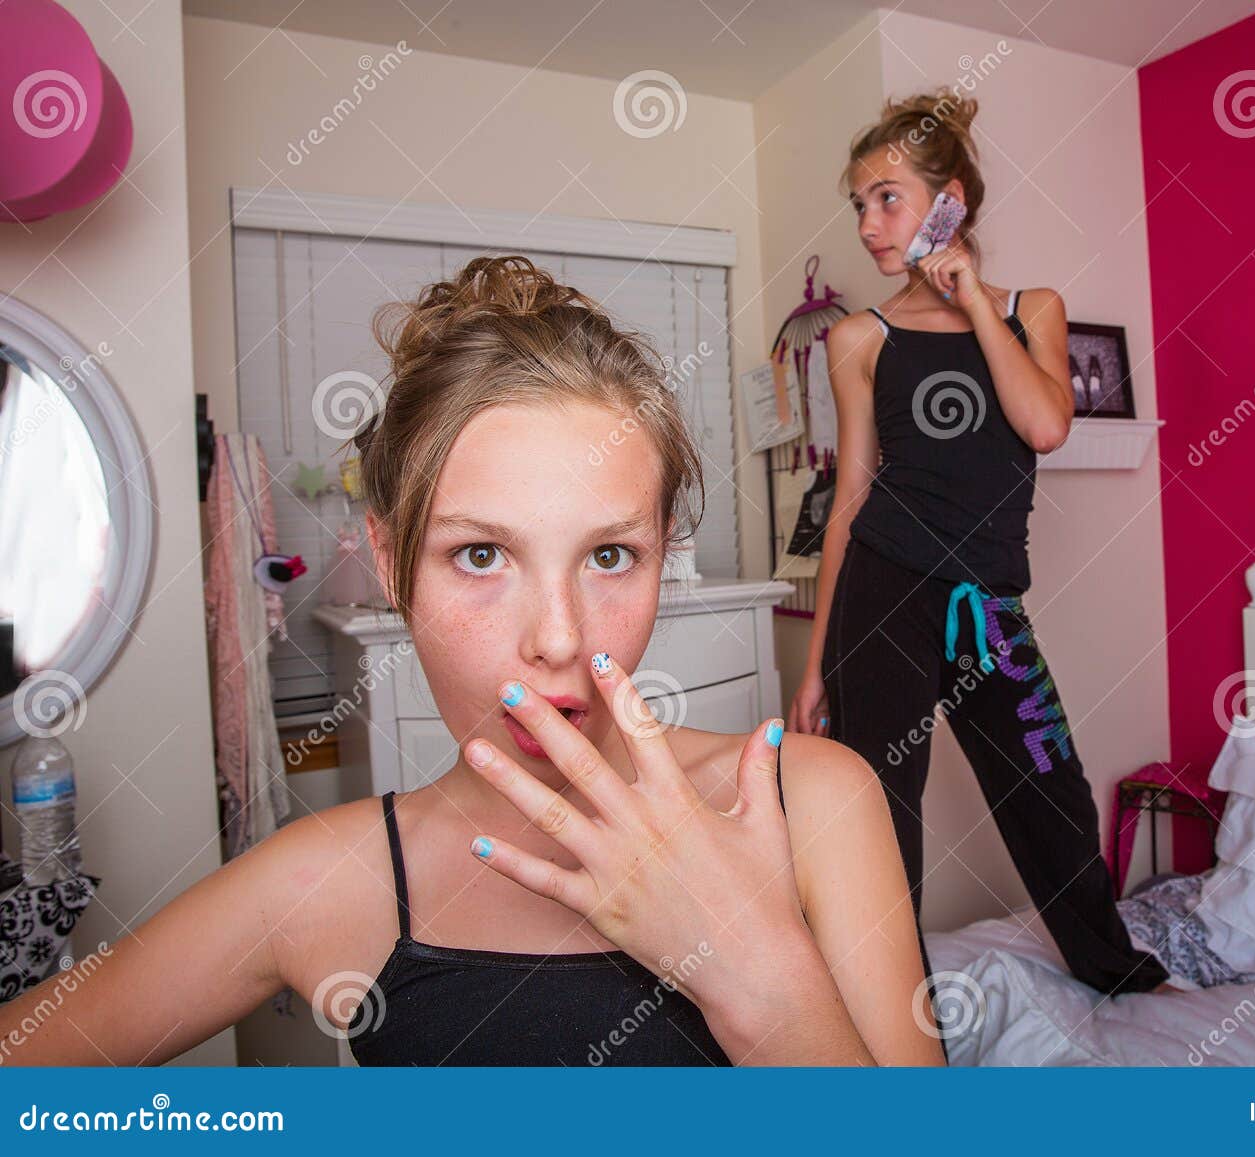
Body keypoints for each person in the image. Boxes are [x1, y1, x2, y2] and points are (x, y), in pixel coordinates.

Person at [0, 256, 945, 1066]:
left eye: (611, 555)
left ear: (666, 550)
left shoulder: (809, 799)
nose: (561, 637)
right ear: (389, 559)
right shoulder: (329, 882)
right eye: (481, 555)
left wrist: (760, 978)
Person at [787, 88, 1173, 997]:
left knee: (1050, 792)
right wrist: (813, 669)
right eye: (858, 203)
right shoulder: (857, 337)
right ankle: (890, 1007)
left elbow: (1045, 426)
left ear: (949, 200)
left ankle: (1114, 968)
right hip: (881, 592)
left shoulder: (1033, 309)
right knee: (883, 810)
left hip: (988, 603)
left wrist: (972, 302)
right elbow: (848, 502)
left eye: (888, 197)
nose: (869, 223)